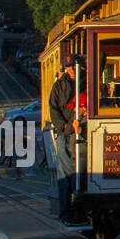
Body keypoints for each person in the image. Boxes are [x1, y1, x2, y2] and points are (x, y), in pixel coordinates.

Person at [47, 55, 83, 225]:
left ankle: (78, 209)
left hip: (82, 132)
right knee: (66, 172)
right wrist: (68, 128)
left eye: (75, 67)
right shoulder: (58, 86)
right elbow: (53, 111)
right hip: (64, 135)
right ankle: (66, 212)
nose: (73, 70)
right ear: (66, 69)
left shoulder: (87, 82)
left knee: (79, 172)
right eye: (69, 68)